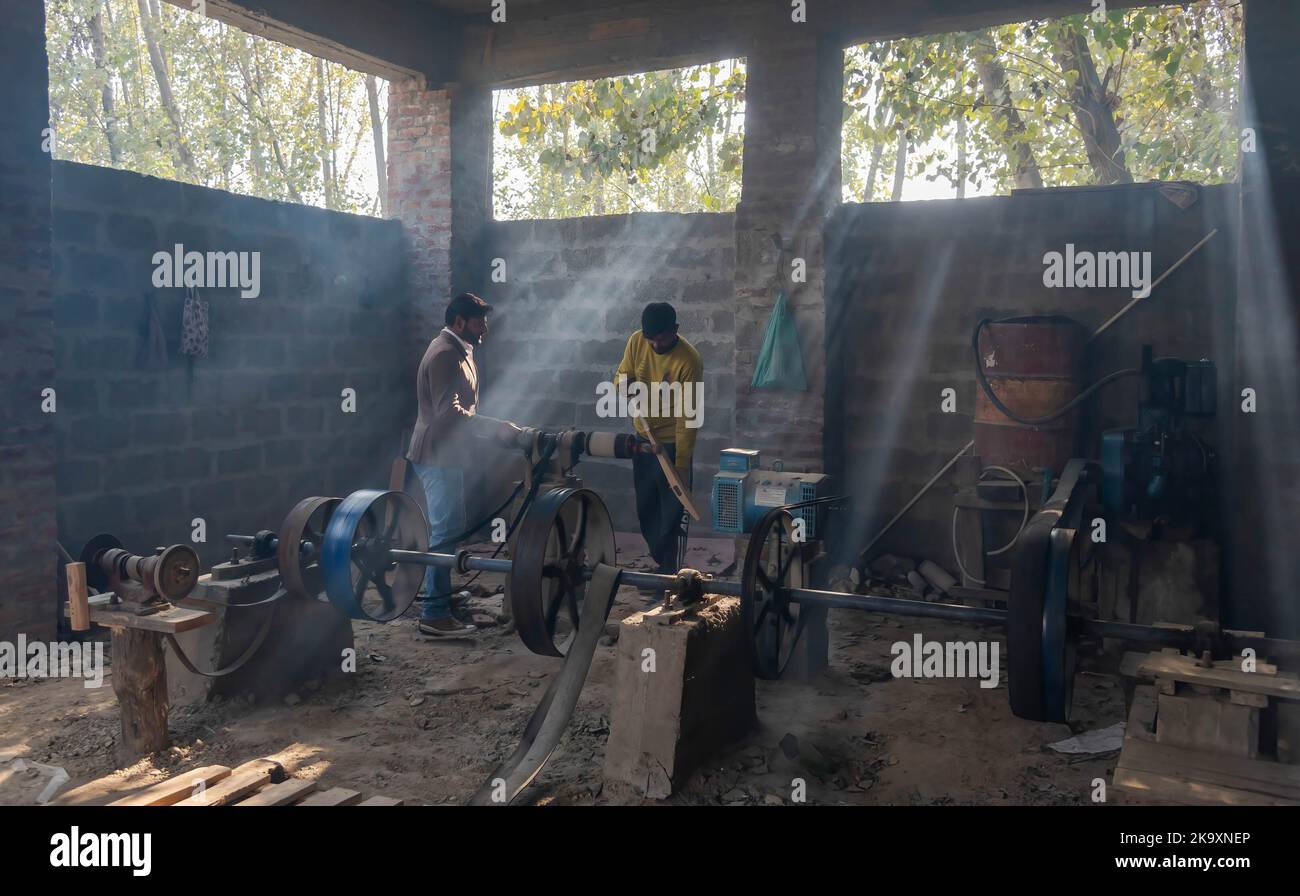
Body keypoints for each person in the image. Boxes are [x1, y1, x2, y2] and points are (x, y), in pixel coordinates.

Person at [406, 293, 522, 636]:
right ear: (459, 322)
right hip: (436, 455)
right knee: (444, 533)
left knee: (449, 529)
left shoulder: (456, 349)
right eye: (479, 321)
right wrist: (494, 427)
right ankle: (434, 613)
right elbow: (448, 414)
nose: (485, 327)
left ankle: (441, 597)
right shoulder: (444, 354)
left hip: (447, 455)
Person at [614, 302, 704, 582]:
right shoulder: (636, 341)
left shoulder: (689, 361)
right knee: (647, 509)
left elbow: (688, 418)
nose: (655, 344)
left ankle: (670, 576)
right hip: (644, 439)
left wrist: (681, 465)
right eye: (650, 338)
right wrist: (624, 386)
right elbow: (621, 375)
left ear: (675, 330)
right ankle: (660, 564)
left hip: (671, 444)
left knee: (673, 514)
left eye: (661, 338)